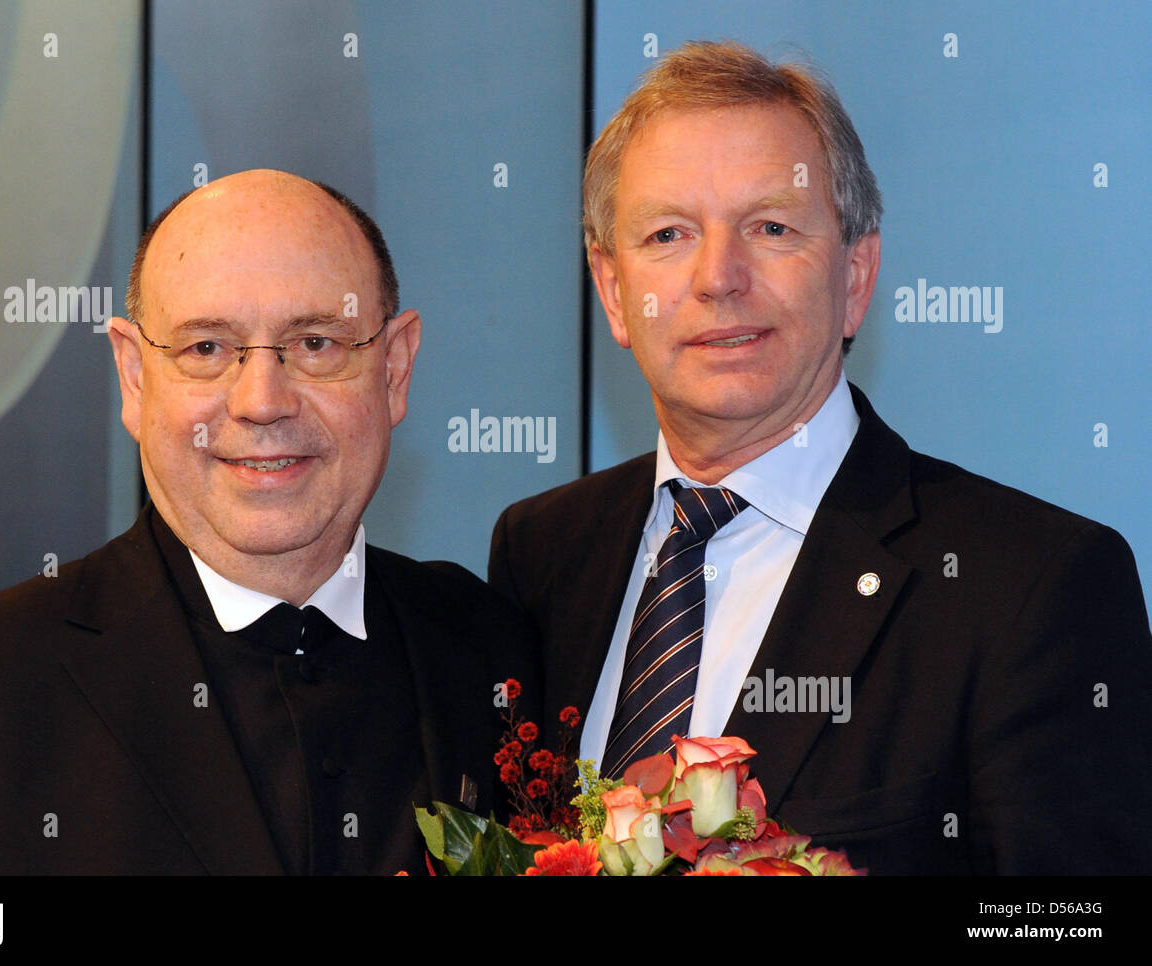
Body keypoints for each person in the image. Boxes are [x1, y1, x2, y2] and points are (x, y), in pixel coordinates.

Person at [488, 41, 1152, 874]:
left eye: (770, 226)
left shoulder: (1032, 586)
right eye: (667, 234)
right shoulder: (542, 553)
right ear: (615, 293)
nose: (717, 276)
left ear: (856, 275)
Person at [0, 169, 537, 875]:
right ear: (134, 376)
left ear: (394, 370)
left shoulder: (493, 653)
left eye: (315, 344)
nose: (262, 402)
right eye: (206, 349)